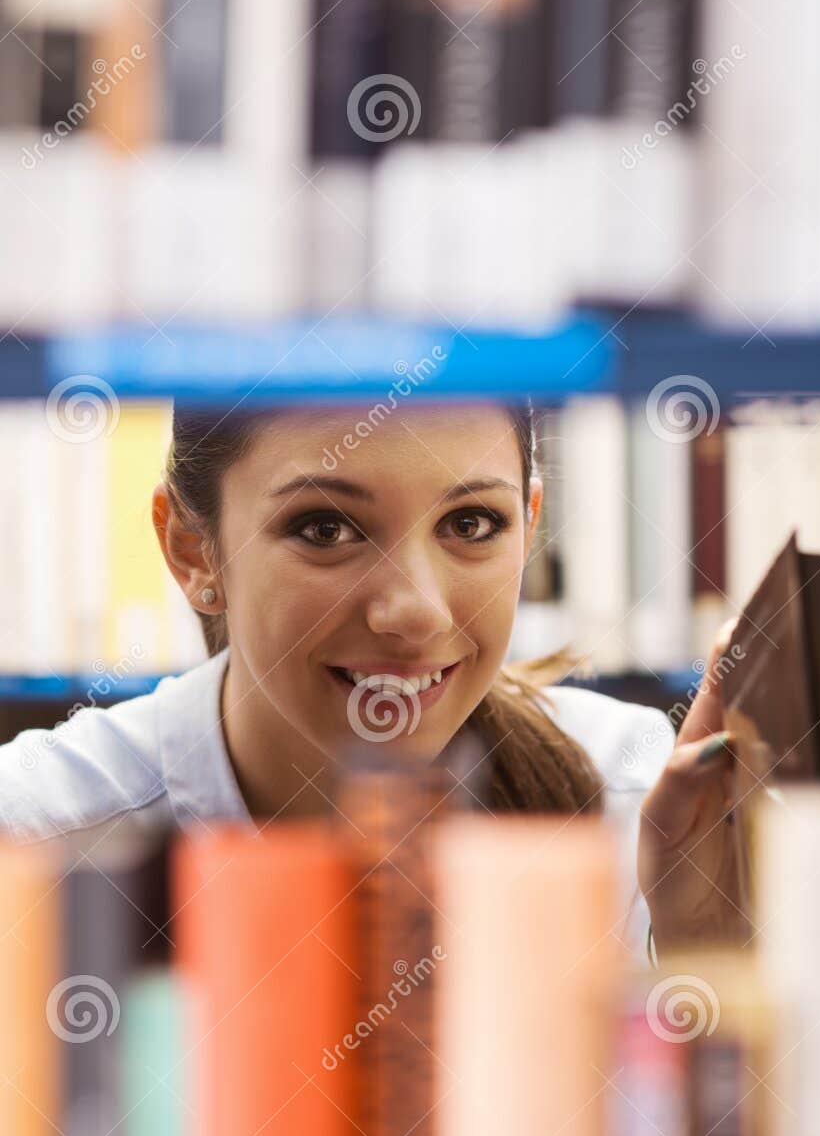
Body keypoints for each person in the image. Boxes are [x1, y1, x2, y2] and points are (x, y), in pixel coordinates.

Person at [0, 401, 743, 954]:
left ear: (529, 524)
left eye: (471, 524)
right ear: (193, 551)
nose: (416, 612)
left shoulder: (634, 806)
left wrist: (705, 951)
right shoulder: (32, 837)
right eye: (325, 529)